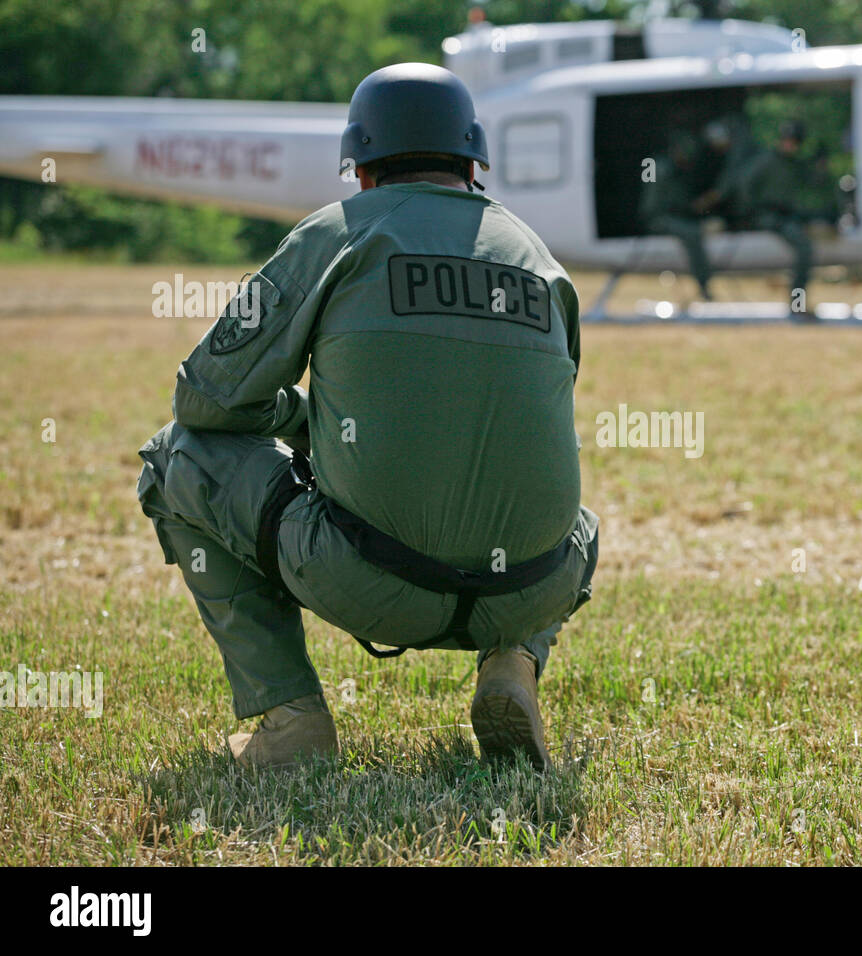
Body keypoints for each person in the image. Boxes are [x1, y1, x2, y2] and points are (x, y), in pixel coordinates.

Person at [135, 63, 598, 772]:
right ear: (474, 160)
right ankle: (513, 665)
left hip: (372, 580)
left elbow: (205, 402)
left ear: (362, 168)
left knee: (175, 457)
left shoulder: (337, 234)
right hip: (529, 591)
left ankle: (290, 718)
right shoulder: (541, 259)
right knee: (583, 523)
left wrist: (300, 417)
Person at [737, 119, 816, 318]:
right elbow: (744, 187)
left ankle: (798, 304)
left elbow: (813, 183)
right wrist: (747, 213)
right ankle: (797, 305)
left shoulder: (795, 164)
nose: (790, 144)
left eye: (794, 141)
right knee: (803, 247)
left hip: (785, 215)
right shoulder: (765, 161)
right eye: (787, 140)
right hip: (766, 216)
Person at [639, 131, 714, 300]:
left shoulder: (678, 171)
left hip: (672, 217)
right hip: (658, 220)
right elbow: (655, 206)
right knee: (692, 233)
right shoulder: (662, 168)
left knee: (694, 229)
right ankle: (704, 285)